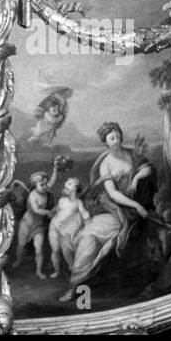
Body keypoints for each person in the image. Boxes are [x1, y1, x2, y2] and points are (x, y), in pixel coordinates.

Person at [58, 122, 152, 302]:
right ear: (106, 142)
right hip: (111, 204)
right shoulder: (105, 164)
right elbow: (113, 193)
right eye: (112, 138)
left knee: (88, 238)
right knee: (65, 230)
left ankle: (74, 286)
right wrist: (135, 205)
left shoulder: (131, 154)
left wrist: (137, 178)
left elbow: (148, 168)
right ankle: (73, 270)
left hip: (123, 212)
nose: (116, 141)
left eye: (118, 136)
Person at [48, 177, 90, 280]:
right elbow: (56, 211)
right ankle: (57, 271)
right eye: (66, 184)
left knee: (67, 252)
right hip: (54, 226)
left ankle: (71, 270)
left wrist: (86, 216)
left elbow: (83, 212)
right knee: (55, 250)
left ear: (76, 188)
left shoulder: (78, 202)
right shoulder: (62, 200)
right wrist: (51, 212)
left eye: (70, 184)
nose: (66, 186)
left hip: (66, 230)